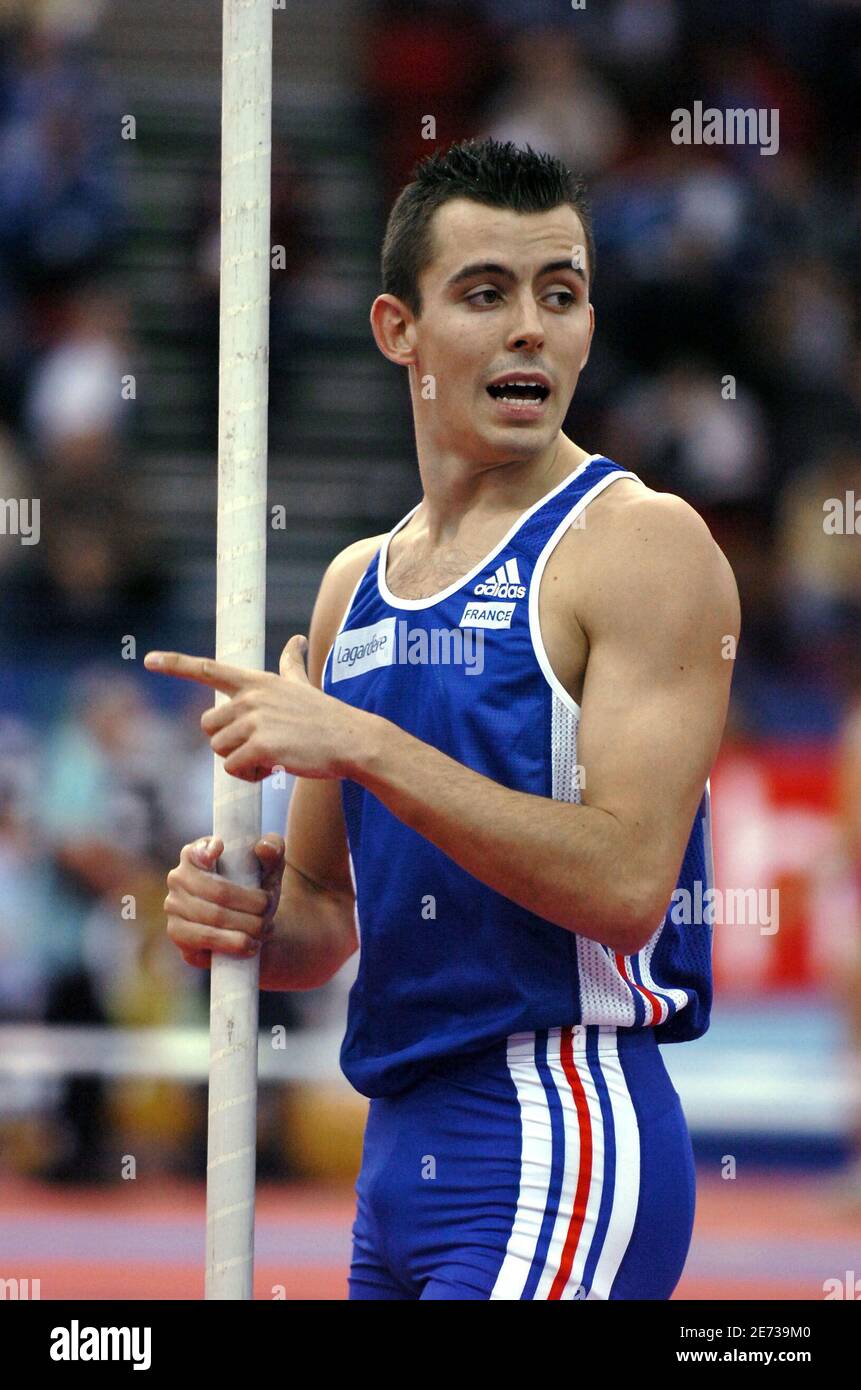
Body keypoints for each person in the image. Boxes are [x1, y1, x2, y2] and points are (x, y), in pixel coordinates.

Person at [148, 138, 740, 1300]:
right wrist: (242, 911)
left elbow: (627, 885)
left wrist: (360, 740)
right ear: (395, 331)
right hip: (398, 1148)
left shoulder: (639, 547)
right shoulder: (354, 587)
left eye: (560, 294)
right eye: (486, 293)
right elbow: (325, 923)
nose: (532, 328)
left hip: (561, 1128)